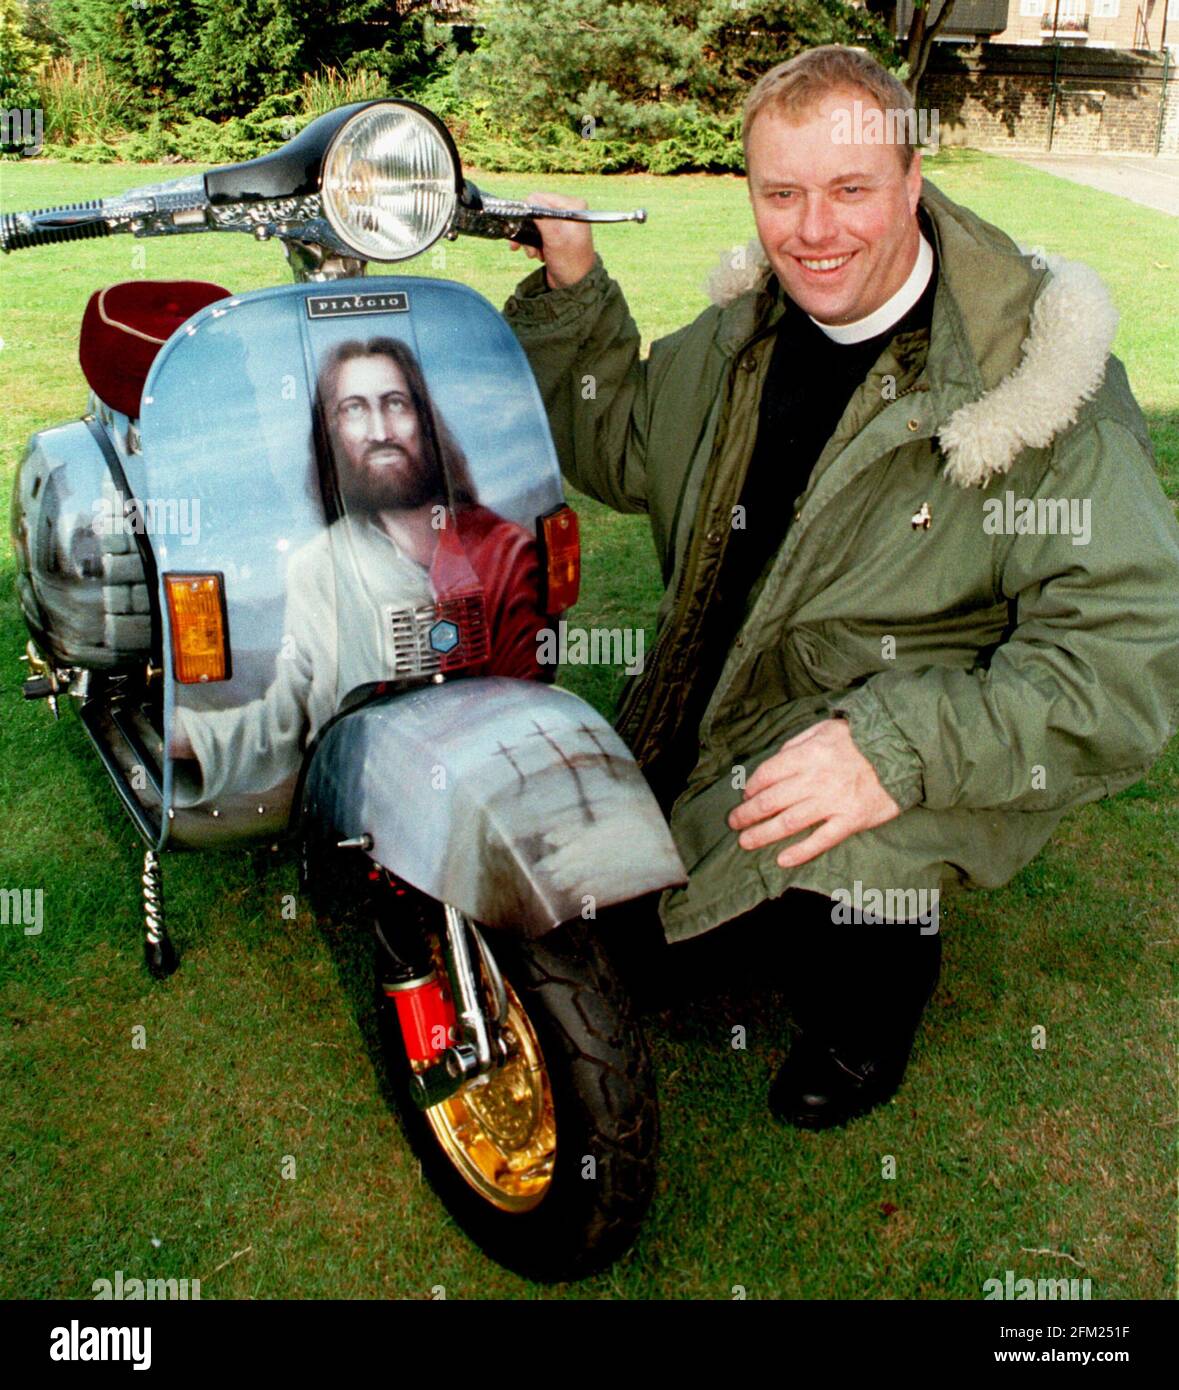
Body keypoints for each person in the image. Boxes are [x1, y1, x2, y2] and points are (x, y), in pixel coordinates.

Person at [502, 45, 1179, 1129]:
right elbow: (623, 440)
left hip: (878, 725)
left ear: (914, 182)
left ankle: (872, 1007)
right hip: (720, 712)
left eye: (852, 189)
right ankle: (738, 851)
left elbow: (1128, 660)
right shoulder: (742, 337)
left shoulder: (1043, 388)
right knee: (623, 953)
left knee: (846, 856)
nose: (814, 230)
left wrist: (900, 750)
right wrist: (575, 287)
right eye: (783, 193)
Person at [172, 337, 546, 803]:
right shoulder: (318, 565)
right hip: (352, 805)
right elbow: (288, 719)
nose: (379, 430)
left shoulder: (502, 552)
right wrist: (186, 737)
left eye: (395, 404)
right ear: (332, 433)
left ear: (424, 421)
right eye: (353, 409)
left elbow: (521, 714)